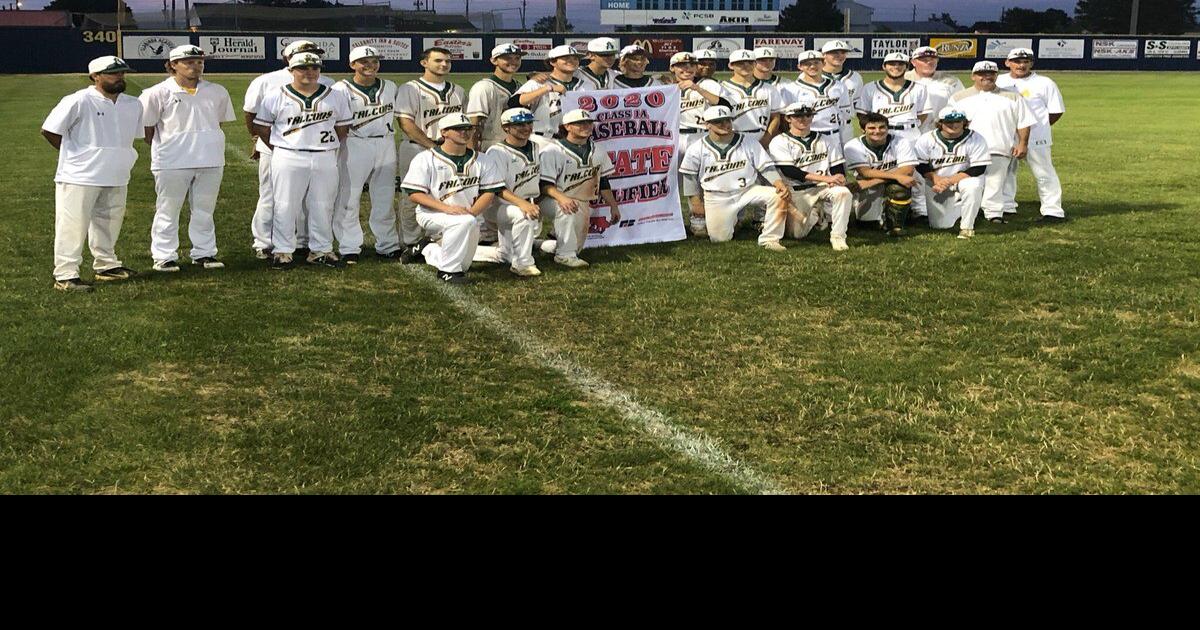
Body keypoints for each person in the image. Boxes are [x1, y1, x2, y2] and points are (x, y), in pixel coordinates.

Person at [41, 55, 143, 292]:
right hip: (80, 176)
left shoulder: (132, 104)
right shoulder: (78, 100)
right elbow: (49, 130)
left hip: (117, 172)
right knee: (72, 225)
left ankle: (106, 265)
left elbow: (130, 137)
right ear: (95, 76)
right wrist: (77, 155)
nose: (119, 77)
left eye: (121, 73)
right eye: (113, 73)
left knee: (109, 221)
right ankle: (65, 274)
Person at [139, 45, 235, 273]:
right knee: (167, 210)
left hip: (210, 159)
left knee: (204, 210)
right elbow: (147, 129)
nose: (196, 66)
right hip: (171, 161)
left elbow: (216, 123)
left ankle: (204, 253)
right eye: (189, 62)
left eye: (199, 62)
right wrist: (170, 147)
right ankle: (163, 256)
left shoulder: (217, 91)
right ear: (173, 65)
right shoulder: (156, 93)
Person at [252, 52, 352, 270]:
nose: (310, 72)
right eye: (303, 68)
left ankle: (321, 249)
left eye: (314, 68)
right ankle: (283, 250)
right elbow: (261, 126)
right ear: (291, 71)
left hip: (325, 154)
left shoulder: (335, 96)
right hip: (288, 155)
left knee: (323, 204)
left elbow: (342, 128)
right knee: (285, 204)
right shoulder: (275, 95)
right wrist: (281, 146)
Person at [242, 40, 333, 260]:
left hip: (314, 148)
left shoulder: (329, 82)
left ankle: (302, 241)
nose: (311, 58)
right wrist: (258, 139)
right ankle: (264, 242)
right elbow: (251, 113)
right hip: (275, 148)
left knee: (310, 198)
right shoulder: (266, 80)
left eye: (315, 54)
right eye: (305, 54)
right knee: (271, 197)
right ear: (288, 58)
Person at [401, 114, 503, 284]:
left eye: (467, 128)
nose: (464, 132)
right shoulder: (425, 159)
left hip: (469, 215)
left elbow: (489, 192)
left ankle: (428, 249)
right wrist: (448, 210)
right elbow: (415, 194)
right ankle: (447, 272)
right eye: (458, 129)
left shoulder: (483, 160)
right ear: (444, 132)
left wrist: (471, 213)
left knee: (463, 264)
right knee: (461, 228)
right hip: (432, 213)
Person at [679, 105, 793, 251]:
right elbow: (690, 177)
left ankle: (770, 239)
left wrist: (778, 182)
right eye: (718, 121)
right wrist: (696, 203)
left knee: (779, 195)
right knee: (720, 239)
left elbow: (766, 166)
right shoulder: (697, 148)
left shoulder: (748, 142)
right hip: (717, 197)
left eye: (728, 120)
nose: (725, 125)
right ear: (707, 124)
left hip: (747, 190)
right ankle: (730, 220)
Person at [332, 45, 401, 264]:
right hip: (354, 143)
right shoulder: (341, 88)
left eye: (374, 62)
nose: (370, 66)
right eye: (364, 62)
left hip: (385, 142)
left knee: (385, 196)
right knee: (348, 196)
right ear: (353, 64)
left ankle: (388, 244)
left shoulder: (390, 86)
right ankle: (349, 246)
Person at [396, 47, 467, 261]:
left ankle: (435, 238)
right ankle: (409, 242)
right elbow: (405, 123)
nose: (444, 64)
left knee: (444, 193)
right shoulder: (410, 88)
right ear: (424, 63)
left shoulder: (458, 91)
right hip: (417, 147)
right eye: (438, 60)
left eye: (447, 61)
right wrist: (430, 146)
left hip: (449, 150)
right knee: (412, 195)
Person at [949, 61, 1035, 224]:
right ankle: (961, 213)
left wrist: (1023, 143)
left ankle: (993, 214)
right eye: (982, 73)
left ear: (996, 75)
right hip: (967, 148)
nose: (987, 76)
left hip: (999, 146)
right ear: (973, 76)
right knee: (965, 181)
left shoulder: (1013, 96)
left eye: (991, 73)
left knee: (995, 183)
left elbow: (1023, 122)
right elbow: (948, 123)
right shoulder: (959, 97)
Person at [538, 109, 621, 269]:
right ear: (567, 127)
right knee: (568, 209)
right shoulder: (553, 150)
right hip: (547, 199)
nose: (586, 126)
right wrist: (562, 198)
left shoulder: (598, 150)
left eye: (589, 122)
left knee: (576, 246)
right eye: (580, 123)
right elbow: (543, 185)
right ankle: (564, 256)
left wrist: (613, 205)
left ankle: (544, 245)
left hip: (579, 202)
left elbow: (602, 181)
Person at [768, 100, 854, 251]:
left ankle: (838, 237)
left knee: (843, 193)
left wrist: (838, 178)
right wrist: (827, 178)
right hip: (797, 190)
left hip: (822, 187)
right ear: (788, 119)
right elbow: (790, 171)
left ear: (812, 117)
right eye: (798, 116)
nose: (803, 119)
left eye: (808, 115)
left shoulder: (825, 139)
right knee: (796, 235)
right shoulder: (779, 141)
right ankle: (817, 214)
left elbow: (837, 166)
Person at [856, 53, 931, 220]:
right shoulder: (870, 88)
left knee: (916, 172)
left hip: (910, 132)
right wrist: (873, 131)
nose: (896, 67)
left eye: (900, 64)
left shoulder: (919, 88)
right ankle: (879, 210)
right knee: (882, 168)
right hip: (882, 133)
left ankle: (919, 210)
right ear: (884, 66)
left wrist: (911, 126)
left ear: (906, 66)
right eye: (891, 64)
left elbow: (923, 114)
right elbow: (862, 114)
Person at [996, 47, 1067, 222]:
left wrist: (1039, 127)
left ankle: (1053, 211)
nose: (1021, 65)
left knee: (1044, 172)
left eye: (1025, 62)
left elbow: (1056, 111)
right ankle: (1006, 206)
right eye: (1016, 61)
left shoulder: (1045, 83)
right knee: (1005, 172)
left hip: (1036, 136)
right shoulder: (999, 81)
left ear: (1031, 63)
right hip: (1005, 134)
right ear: (1007, 63)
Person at [482, 108, 544, 277]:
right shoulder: (497, 152)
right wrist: (523, 204)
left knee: (505, 255)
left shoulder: (535, 146)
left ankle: (439, 249)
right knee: (524, 215)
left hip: (523, 202)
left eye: (528, 123)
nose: (525, 128)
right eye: (518, 124)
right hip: (499, 205)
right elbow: (497, 188)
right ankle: (523, 264)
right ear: (506, 128)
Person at [913, 107, 991, 238]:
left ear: (964, 122)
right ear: (940, 123)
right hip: (936, 182)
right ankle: (966, 209)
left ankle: (967, 227)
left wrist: (948, 181)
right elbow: (921, 165)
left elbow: (979, 168)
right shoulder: (927, 138)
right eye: (949, 121)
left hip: (964, 179)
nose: (954, 125)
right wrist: (935, 179)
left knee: (973, 186)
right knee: (940, 226)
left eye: (958, 121)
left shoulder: (976, 138)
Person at [843, 112, 920, 235]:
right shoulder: (853, 146)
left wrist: (872, 182)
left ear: (888, 128)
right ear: (863, 130)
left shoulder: (901, 141)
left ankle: (895, 226)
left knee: (899, 188)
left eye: (882, 127)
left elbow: (907, 170)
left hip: (871, 183)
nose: (877, 131)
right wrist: (897, 176)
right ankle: (881, 213)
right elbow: (866, 172)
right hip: (869, 185)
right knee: (867, 225)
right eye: (872, 128)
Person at [513, 45, 582, 145]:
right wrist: (547, 89)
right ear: (552, 62)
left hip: (572, 141)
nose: (571, 61)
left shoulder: (585, 85)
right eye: (566, 58)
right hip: (542, 139)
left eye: (575, 58)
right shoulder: (539, 82)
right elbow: (514, 102)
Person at [782, 50, 851, 145]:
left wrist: (846, 141)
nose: (813, 66)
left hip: (834, 135)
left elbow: (845, 118)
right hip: (807, 137)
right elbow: (787, 120)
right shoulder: (791, 89)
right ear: (800, 66)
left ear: (823, 63)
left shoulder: (839, 86)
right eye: (807, 64)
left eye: (816, 62)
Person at [468, 43, 527, 152]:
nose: (513, 62)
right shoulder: (483, 87)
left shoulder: (520, 87)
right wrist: (472, 154)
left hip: (516, 147)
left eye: (517, 58)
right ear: (494, 60)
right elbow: (473, 124)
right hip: (490, 147)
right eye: (507, 58)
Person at [720, 49, 784, 149]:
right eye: (740, 63)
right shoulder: (722, 88)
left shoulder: (769, 89)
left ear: (755, 64)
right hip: (733, 137)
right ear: (731, 65)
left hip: (761, 135)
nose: (746, 66)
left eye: (750, 62)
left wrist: (766, 140)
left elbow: (775, 118)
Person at [906, 46, 959, 136]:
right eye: (924, 60)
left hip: (941, 133)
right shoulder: (903, 79)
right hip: (909, 133)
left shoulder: (951, 81)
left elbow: (960, 106)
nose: (929, 62)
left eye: (933, 59)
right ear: (913, 62)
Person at [821, 40, 864, 144]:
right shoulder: (812, 77)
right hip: (821, 127)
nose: (839, 56)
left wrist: (864, 126)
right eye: (834, 53)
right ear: (824, 55)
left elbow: (859, 106)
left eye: (843, 52)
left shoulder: (855, 77)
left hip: (846, 127)